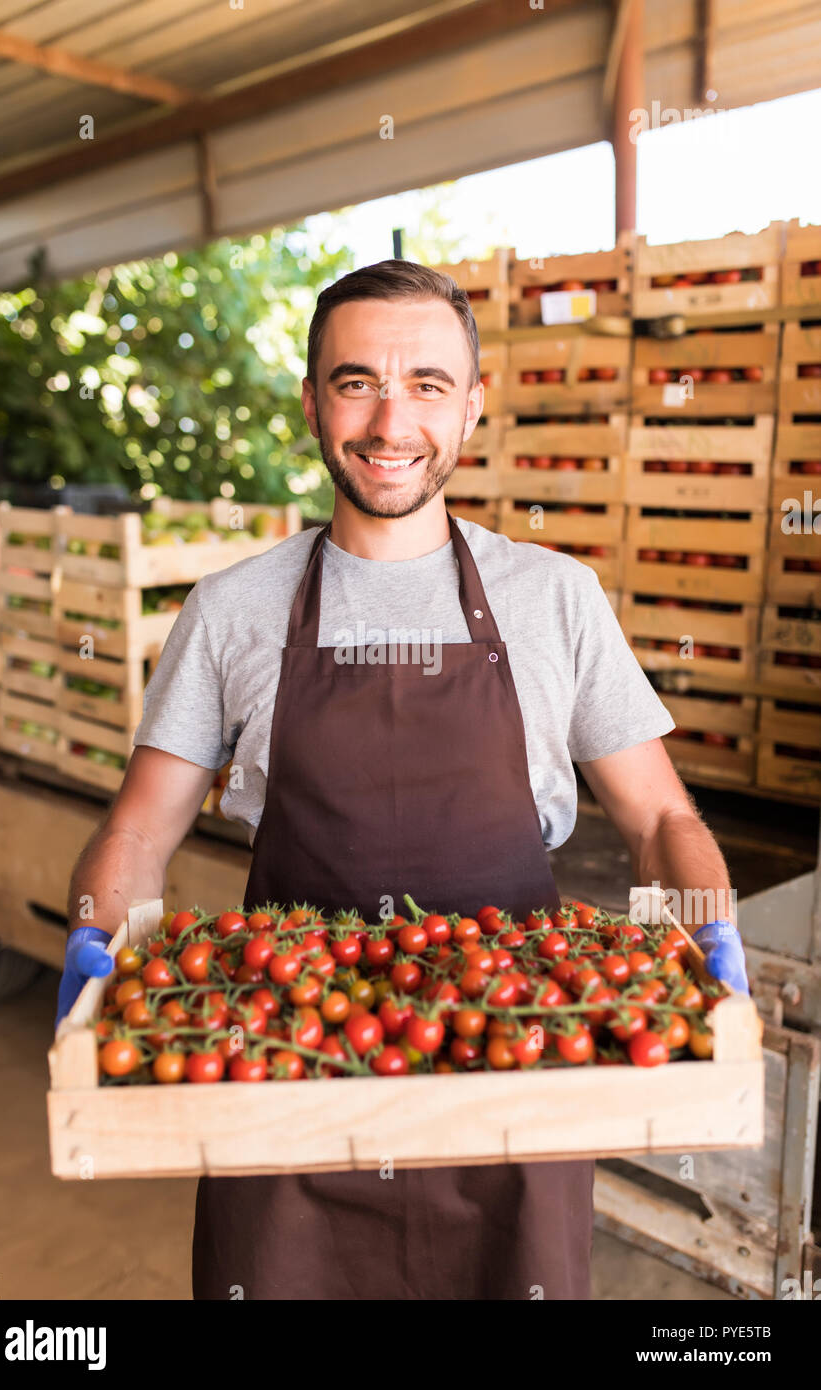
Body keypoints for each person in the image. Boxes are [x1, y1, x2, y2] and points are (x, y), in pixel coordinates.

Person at [56, 259, 749, 1301]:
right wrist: (92, 947)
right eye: (355, 383)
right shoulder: (234, 608)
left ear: (471, 404)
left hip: (518, 1066)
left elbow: (656, 817)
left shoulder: (552, 597)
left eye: (425, 384)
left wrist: (708, 938)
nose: (390, 422)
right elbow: (139, 834)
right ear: (309, 401)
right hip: (278, 1070)